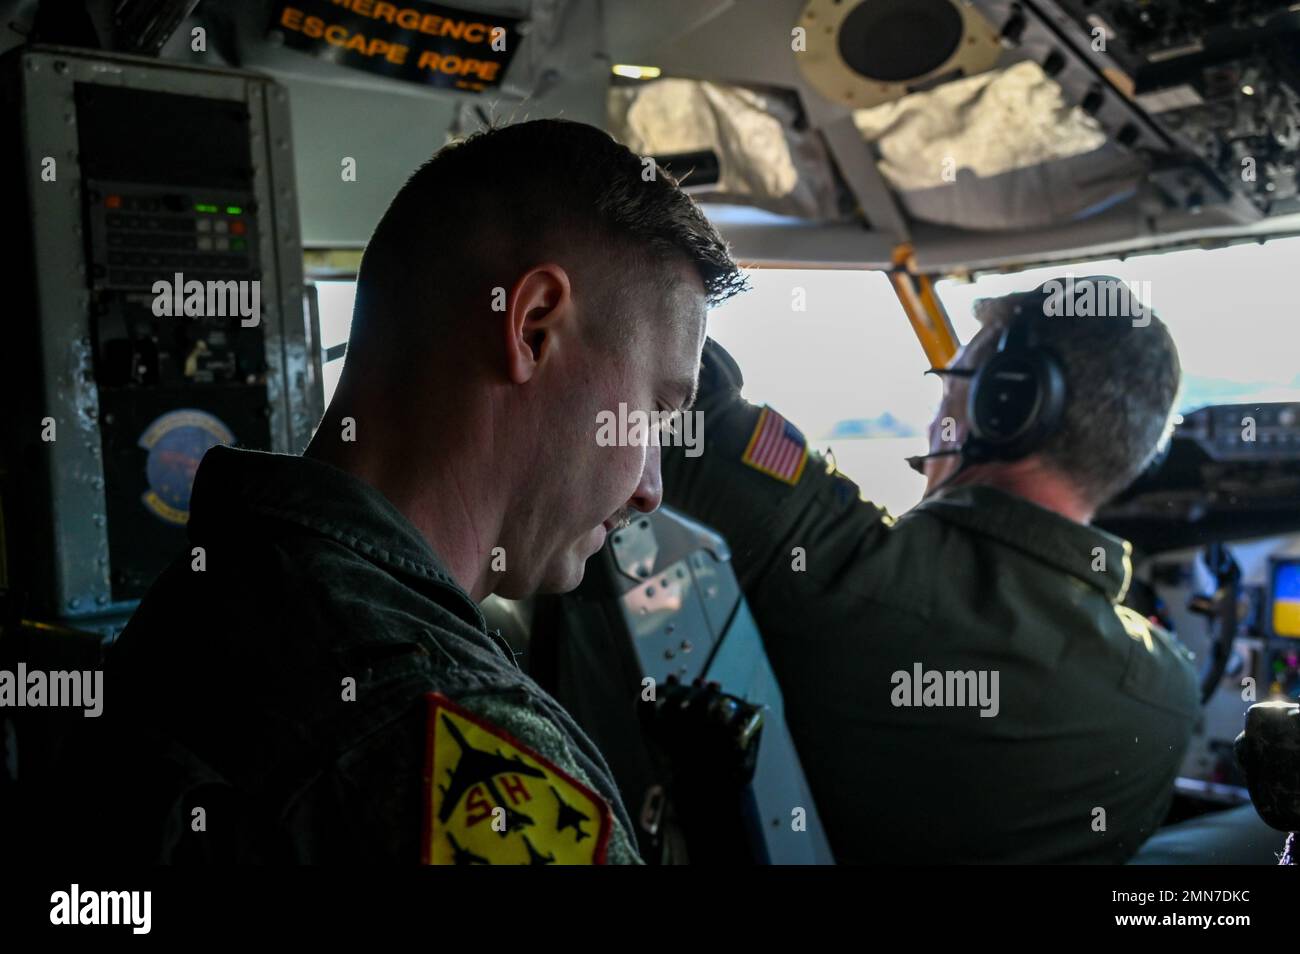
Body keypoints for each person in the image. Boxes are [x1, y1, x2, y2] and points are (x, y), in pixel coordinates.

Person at [71, 119, 743, 864]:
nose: (651, 488)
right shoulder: (452, 738)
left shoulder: (213, 597)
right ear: (533, 327)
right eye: (654, 410)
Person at [661, 278, 1203, 863]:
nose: (936, 412)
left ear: (1007, 403)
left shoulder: (841, 568)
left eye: (953, 384)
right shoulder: (1168, 695)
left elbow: (681, 397)